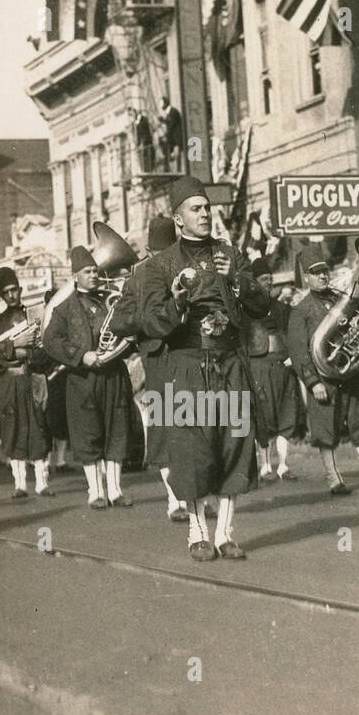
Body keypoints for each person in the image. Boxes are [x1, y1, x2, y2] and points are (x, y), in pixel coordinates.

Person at [132, 176, 271, 560]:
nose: (205, 214)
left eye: (207, 208)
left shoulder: (231, 254)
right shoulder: (159, 266)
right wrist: (175, 304)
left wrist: (237, 280)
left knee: (234, 447)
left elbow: (263, 305)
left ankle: (225, 534)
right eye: (196, 209)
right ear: (178, 219)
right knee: (194, 450)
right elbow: (148, 324)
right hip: (188, 365)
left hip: (230, 363)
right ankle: (197, 532)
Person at [288, 248, 359, 494]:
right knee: (325, 429)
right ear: (306, 277)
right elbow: (298, 352)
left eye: (324, 271)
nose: (322, 276)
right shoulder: (300, 310)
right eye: (315, 273)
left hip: (351, 373)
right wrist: (312, 382)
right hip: (323, 377)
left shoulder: (340, 298)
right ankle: (333, 478)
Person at [110, 213, 190, 521]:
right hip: (158, 359)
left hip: (190, 356)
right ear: (148, 251)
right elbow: (117, 320)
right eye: (159, 254)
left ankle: (194, 493)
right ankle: (175, 500)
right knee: (167, 431)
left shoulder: (189, 269)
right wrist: (148, 323)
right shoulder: (139, 277)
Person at [44, 245, 136, 506]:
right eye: (87, 271)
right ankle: (95, 492)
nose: (94, 275)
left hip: (113, 373)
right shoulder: (64, 308)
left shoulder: (111, 299)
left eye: (96, 271)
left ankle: (115, 491)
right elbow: (51, 341)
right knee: (88, 432)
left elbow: (128, 327)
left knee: (116, 430)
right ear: (75, 276)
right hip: (83, 378)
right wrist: (81, 355)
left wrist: (131, 334)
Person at [0, 266, 53, 497]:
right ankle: (19, 483)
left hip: (32, 378)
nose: (12, 295)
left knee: (38, 428)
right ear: (1, 295)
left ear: (21, 290)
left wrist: (27, 354)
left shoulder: (34, 315)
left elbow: (47, 349)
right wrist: (14, 347)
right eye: (7, 292)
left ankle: (42, 482)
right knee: (12, 430)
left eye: (15, 290)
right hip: (8, 383)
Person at [244, 262, 303, 481]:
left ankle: (284, 465)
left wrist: (292, 356)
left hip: (282, 365)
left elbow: (295, 333)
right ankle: (265, 465)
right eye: (263, 279)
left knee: (286, 414)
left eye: (270, 278)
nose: (268, 282)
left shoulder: (282, 308)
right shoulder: (245, 310)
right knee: (263, 416)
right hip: (258, 366)